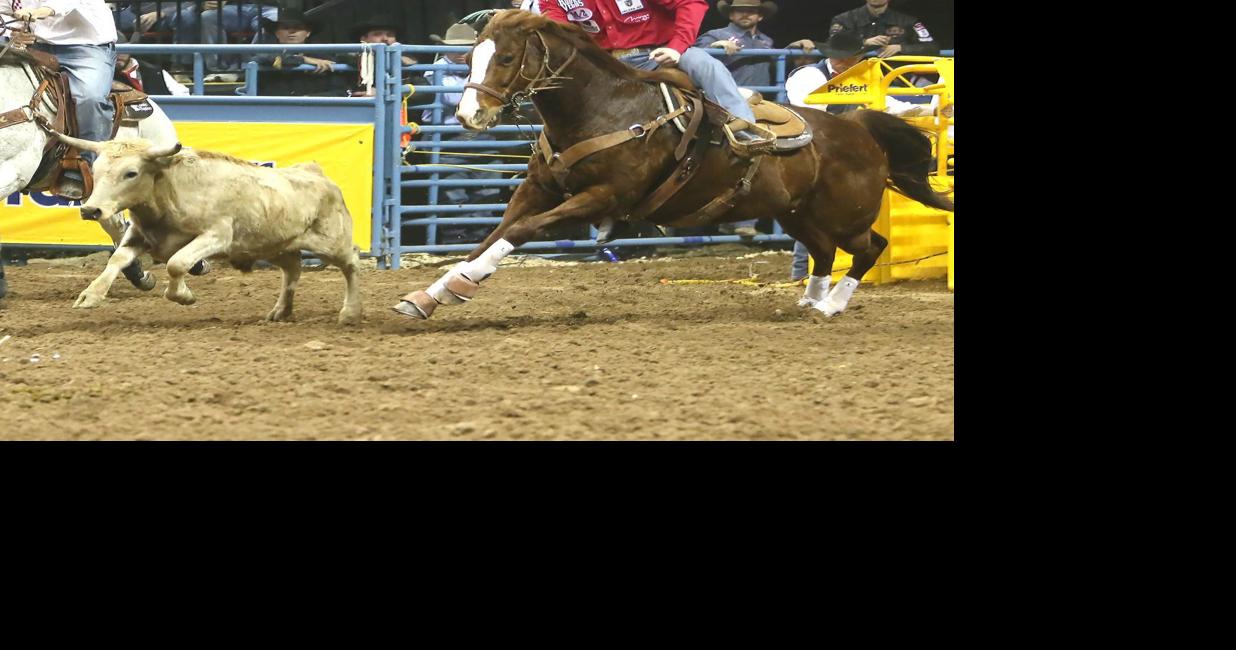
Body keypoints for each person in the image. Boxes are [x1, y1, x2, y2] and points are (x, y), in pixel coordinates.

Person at [538, 0, 773, 149]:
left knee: (704, 64)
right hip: (606, 61)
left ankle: (746, 131)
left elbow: (691, 3)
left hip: (659, 51)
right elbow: (556, 29)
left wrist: (676, 46)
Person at [2, 0, 118, 197]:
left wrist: (38, 12)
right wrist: (12, 31)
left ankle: (89, 165)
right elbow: (4, 10)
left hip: (86, 48)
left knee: (90, 98)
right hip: (36, 47)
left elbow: (62, 3)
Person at [694, 0, 779, 237]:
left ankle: (742, 221)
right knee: (714, 161)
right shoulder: (715, 35)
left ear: (760, 16)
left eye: (751, 10)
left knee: (754, 160)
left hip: (758, 106)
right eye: (740, 9)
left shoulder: (766, 41)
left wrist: (799, 45)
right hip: (722, 106)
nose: (745, 14)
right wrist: (716, 47)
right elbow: (694, 52)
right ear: (731, 14)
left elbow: (779, 56)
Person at [421, 22, 502, 246]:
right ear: (444, 47)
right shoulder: (436, 68)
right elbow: (452, 99)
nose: (460, 53)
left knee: (488, 190)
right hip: (448, 139)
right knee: (453, 192)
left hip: (482, 137)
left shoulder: (485, 69)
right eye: (454, 47)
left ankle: (479, 241)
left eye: (466, 47)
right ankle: (455, 242)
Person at [252, 9, 344, 96]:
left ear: (308, 33)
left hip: (314, 109)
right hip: (274, 109)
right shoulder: (266, 54)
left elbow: (339, 90)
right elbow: (261, 59)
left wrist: (309, 99)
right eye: (285, 27)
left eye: (298, 27)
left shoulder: (324, 58)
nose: (292, 31)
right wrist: (303, 60)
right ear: (276, 33)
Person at [197, 2, 279, 78]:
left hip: (270, 7)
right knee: (208, 16)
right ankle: (217, 70)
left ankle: (249, 66)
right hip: (235, 6)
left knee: (271, 22)